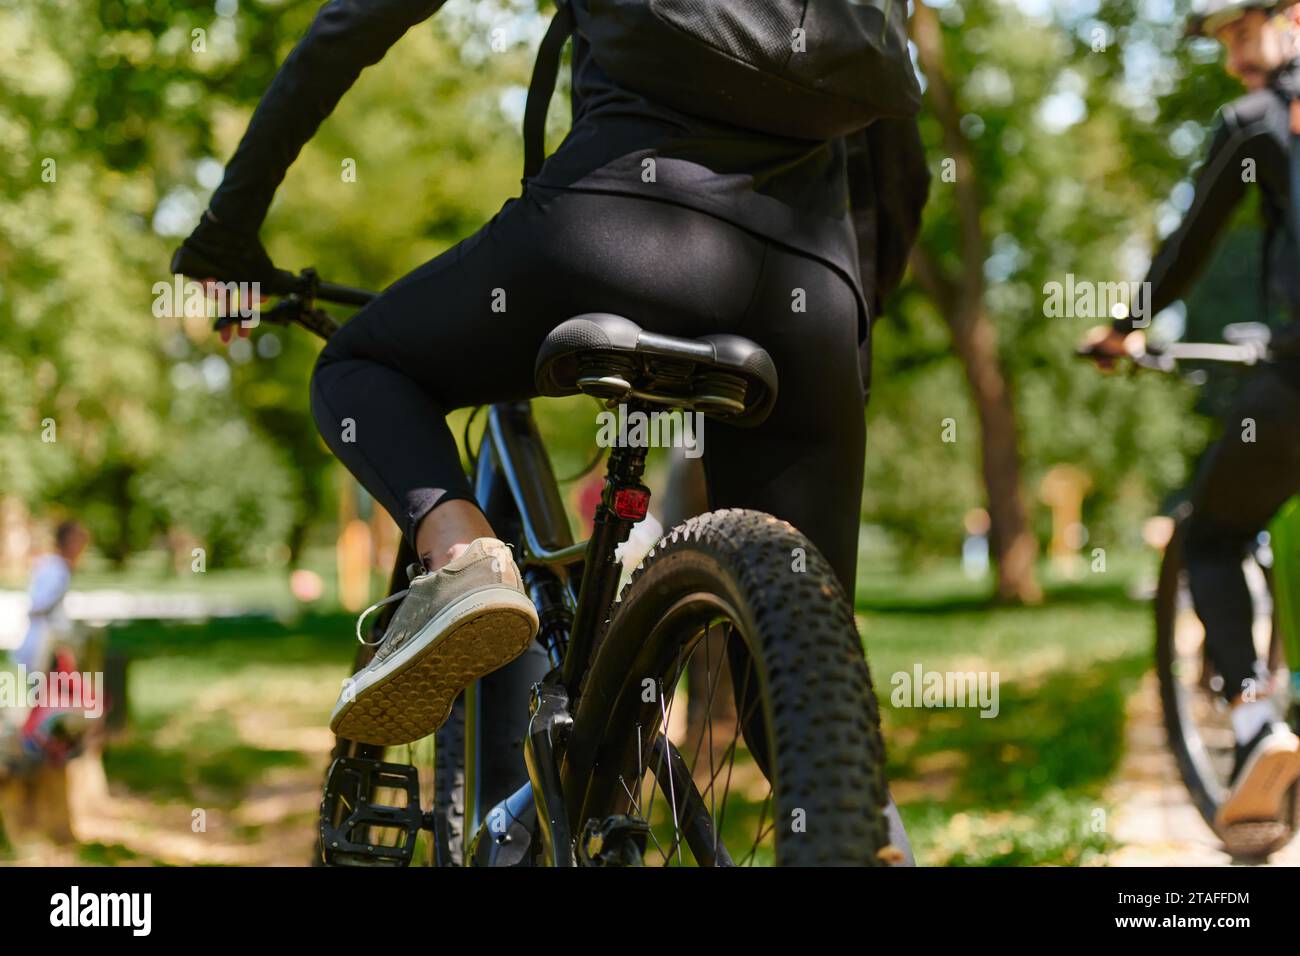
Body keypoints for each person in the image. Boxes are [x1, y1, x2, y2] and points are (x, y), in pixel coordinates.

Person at [172, 0, 929, 750]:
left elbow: (354, 23)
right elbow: (901, 167)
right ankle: (872, 835)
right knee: (803, 711)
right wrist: (845, 354)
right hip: (814, 306)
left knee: (360, 367)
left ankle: (464, 560)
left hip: (606, 237)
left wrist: (225, 237)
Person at [1085, 0, 1300, 830]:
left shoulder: (1257, 120)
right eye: (1226, 42)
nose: (1237, 56)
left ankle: (1252, 722)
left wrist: (1127, 325)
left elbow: (1190, 238)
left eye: (1247, 31)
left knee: (1209, 532)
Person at [12, 521, 89, 674]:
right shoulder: (58, 570)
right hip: (42, 644)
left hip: (42, 642)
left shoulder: (54, 566)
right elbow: (38, 605)